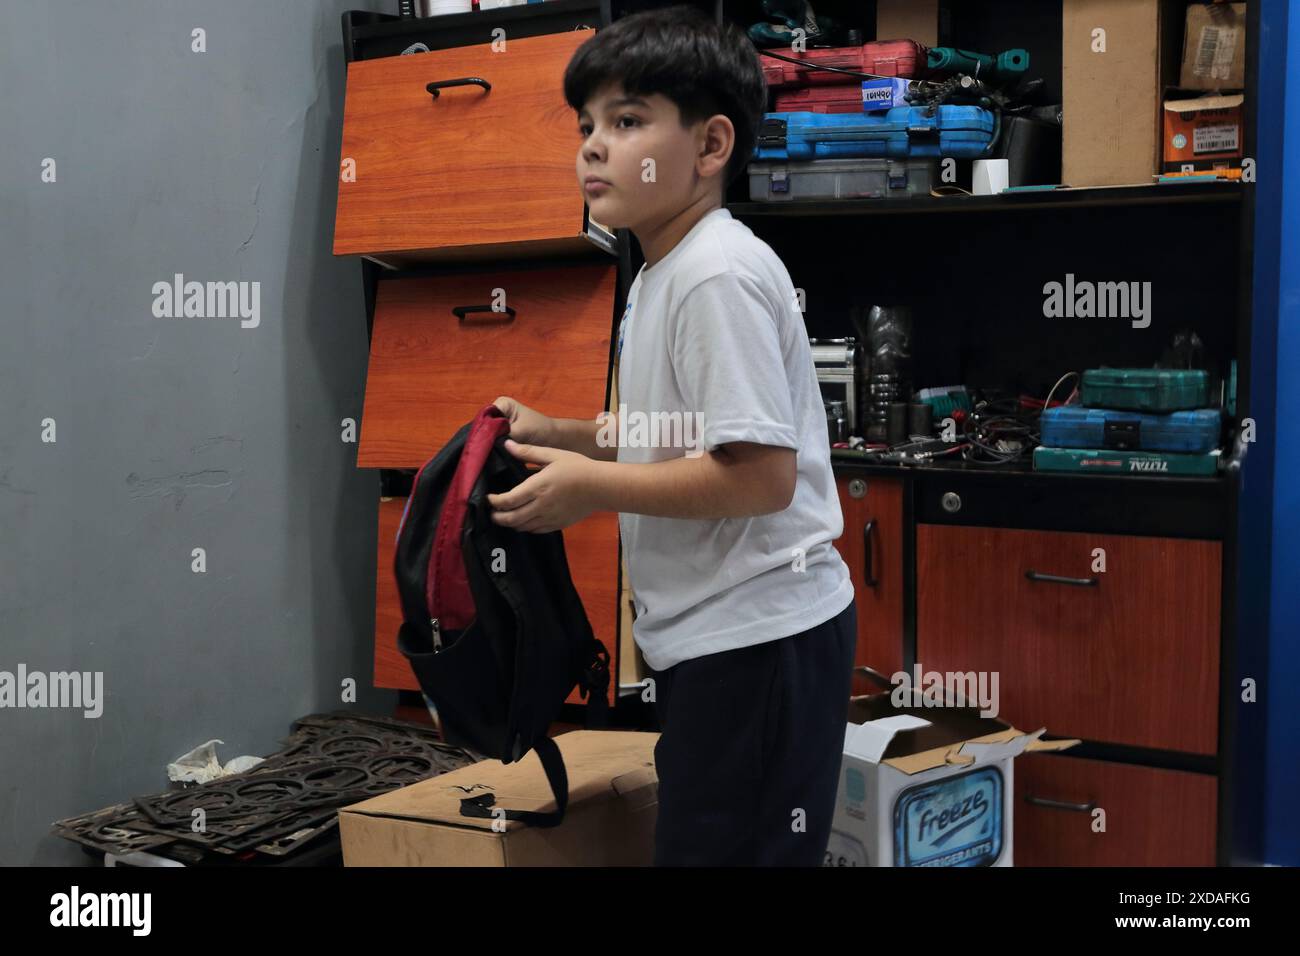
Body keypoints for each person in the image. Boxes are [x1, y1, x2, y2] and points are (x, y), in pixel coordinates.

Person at [488, 5, 856, 866]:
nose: (591, 146)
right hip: (717, 636)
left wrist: (590, 490)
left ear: (711, 145)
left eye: (626, 121)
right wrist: (571, 436)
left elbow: (760, 477)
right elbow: (677, 433)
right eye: (586, 125)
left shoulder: (713, 276)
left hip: (760, 637)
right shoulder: (663, 266)